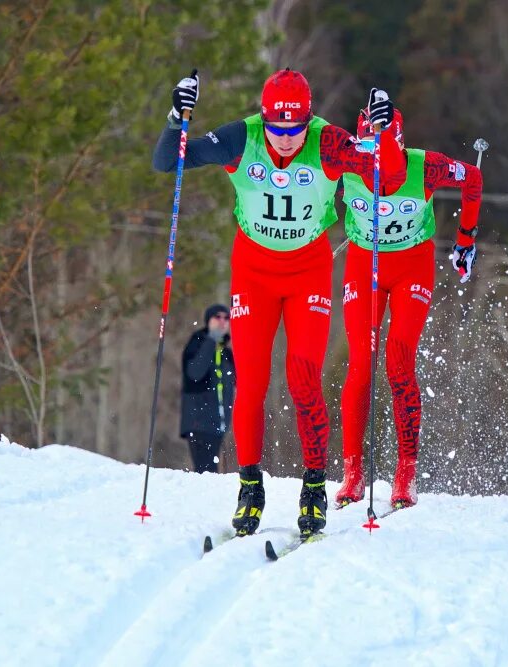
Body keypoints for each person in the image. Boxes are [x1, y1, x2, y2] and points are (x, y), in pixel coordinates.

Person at [153, 69, 405, 538]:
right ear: (264, 118)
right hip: (253, 274)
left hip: (308, 270)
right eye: (277, 128)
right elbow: (167, 161)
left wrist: (385, 133)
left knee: (303, 377)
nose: (286, 140)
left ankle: (313, 486)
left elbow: (387, 178)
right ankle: (250, 487)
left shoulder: (328, 142)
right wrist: (176, 117)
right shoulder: (240, 138)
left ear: (307, 121)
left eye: (295, 129)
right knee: (249, 380)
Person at [335, 108, 483, 509]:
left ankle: (406, 472)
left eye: (383, 148)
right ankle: (351, 473)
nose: (374, 159)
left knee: (398, 362)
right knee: (361, 366)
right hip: (364, 266)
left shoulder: (425, 167)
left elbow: (473, 179)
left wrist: (466, 239)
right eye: (367, 147)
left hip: (411, 267)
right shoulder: (345, 159)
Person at [180, 305, 235, 473]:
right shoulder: (197, 343)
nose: (222, 322)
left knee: (213, 474)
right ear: (208, 320)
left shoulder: (227, 352)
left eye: (226, 318)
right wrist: (211, 340)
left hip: (220, 423)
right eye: (217, 317)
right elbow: (194, 373)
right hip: (198, 422)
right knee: (205, 473)